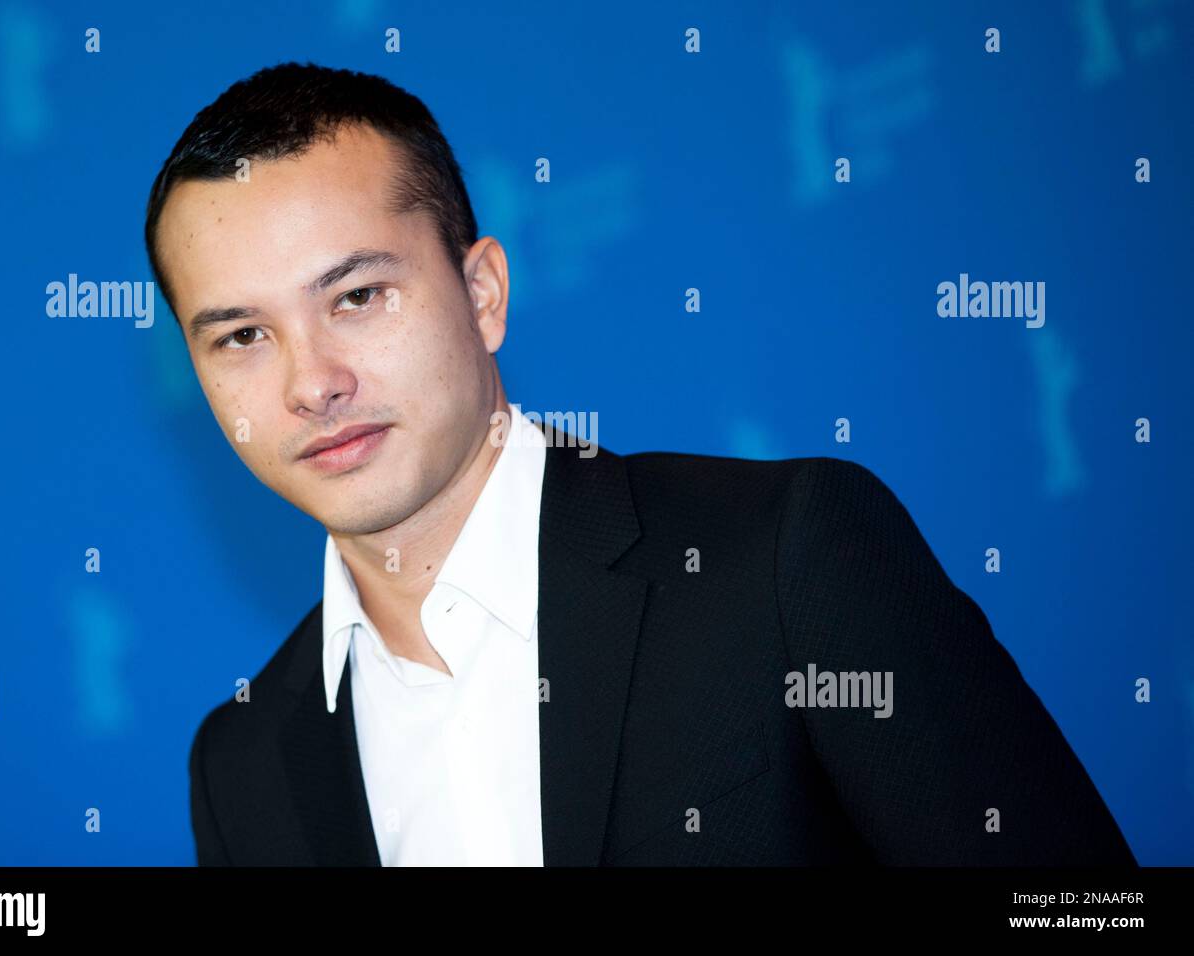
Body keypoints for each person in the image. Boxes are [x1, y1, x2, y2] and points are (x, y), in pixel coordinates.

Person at [145, 62, 1136, 866]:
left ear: (483, 291)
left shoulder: (784, 557)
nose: (310, 382)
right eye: (240, 336)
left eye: (356, 296)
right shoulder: (241, 766)